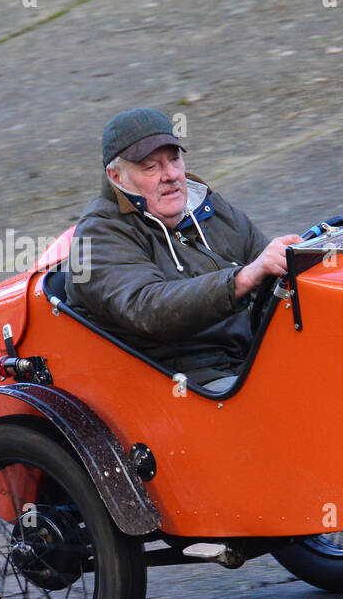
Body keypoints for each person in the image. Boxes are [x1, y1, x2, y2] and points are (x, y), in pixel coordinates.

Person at [67, 107, 301, 393]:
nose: (170, 175)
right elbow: (147, 308)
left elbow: (274, 273)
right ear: (116, 177)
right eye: (151, 167)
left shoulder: (208, 205)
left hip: (255, 352)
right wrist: (242, 279)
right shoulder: (97, 237)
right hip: (188, 380)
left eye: (174, 160)